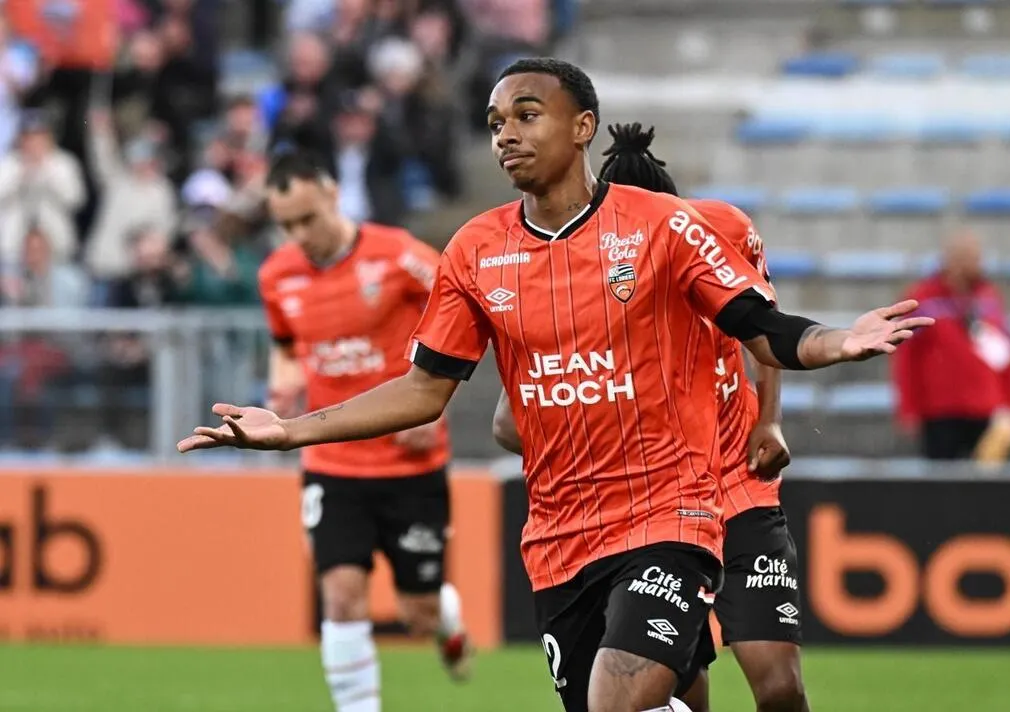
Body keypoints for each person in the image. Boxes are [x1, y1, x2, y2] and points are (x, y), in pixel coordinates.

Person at [177, 59, 932, 712]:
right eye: (496, 119)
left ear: (582, 128)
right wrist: (290, 429)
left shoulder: (665, 227)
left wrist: (835, 342)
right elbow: (422, 390)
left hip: (671, 513)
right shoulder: (474, 250)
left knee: (648, 693)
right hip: (560, 539)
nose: (505, 132)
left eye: (528, 114)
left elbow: (759, 324)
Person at [491, 123, 808, 712]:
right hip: (650, 506)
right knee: (669, 692)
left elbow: (767, 326)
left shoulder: (718, 232)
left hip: (737, 486)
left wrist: (769, 418)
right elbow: (511, 420)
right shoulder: (575, 278)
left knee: (779, 685)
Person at [254, 151, 472, 712]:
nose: (300, 235)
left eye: (308, 218)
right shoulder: (277, 275)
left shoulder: (399, 255)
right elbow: (286, 349)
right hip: (332, 461)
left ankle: (443, 615)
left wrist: (438, 404)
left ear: (332, 195)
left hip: (410, 460)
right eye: (287, 225)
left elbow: (465, 316)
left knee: (415, 614)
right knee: (342, 595)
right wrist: (282, 388)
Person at [892, 230, 1010, 464]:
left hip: (988, 409)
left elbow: (1005, 355)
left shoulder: (989, 299)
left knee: (991, 489)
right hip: (940, 411)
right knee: (943, 490)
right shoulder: (923, 299)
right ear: (949, 260)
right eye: (965, 257)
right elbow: (907, 357)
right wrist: (909, 408)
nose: (972, 264)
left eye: (975, 258)